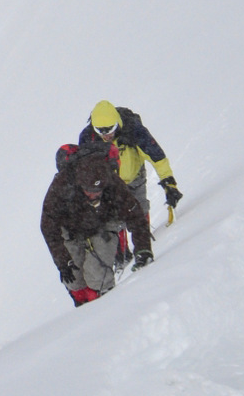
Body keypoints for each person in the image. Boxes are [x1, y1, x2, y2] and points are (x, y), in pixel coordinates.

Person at [41, 152, 151, 306]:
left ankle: (105, 307)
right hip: (71, 228)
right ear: (79, 185)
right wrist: (62, 261)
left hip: (104, 223)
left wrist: (143, 248)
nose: (94, 195)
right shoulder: (61, 186)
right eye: (89, 191)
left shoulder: (112, 183)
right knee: (73, 277)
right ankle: (83, 309)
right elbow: (48, 227)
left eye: (98, 191)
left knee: (98, 274)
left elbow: (135, 215)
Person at [78, 101, 183, 229]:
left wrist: (169, 183)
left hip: (135, 178)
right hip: (110, 184)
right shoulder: (88, 138)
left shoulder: (132, 129)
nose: (106, 135)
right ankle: (122, 248)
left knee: (140, 212)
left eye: (110, 129)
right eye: (100, 130)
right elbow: (85, 169)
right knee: (114, 221)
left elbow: (156, 156)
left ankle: (144, 243)